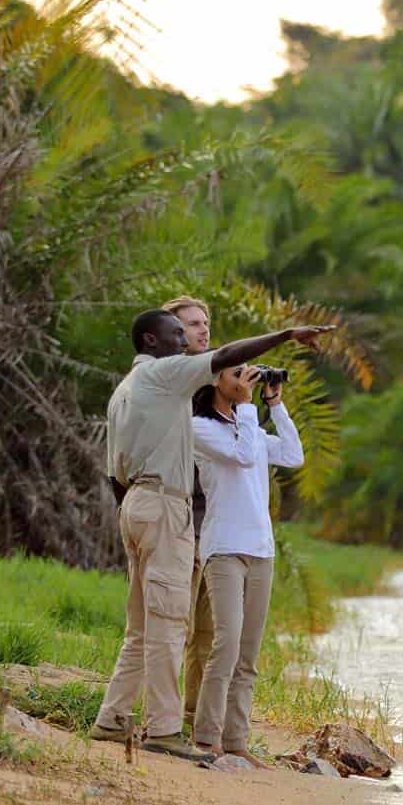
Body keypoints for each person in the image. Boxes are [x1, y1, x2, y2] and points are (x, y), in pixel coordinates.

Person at [91, 308, 333, 759]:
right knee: (168, 622)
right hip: (162, 503)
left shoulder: (124, 390)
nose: (186, 342)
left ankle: (112, 717)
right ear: (150, 341)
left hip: (137, 501)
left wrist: (134, 509)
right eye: (177, 334)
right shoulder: (163, 376)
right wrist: (285, 334)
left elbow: (113, 470)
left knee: (142, 626)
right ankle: (163, 731)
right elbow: (225, 355)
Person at [190, 363, 303, 765]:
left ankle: (236, 741)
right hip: (223, 548)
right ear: (215, 380)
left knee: (249, 654)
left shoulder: (252, 429)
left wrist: (275, 404)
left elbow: (293, 455)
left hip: (261, 549)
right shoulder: (200, 428)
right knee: (227, 643)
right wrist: (247, 406)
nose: (246, 380)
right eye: (237, 373)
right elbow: (239, 456)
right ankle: (206, 737)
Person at [159, 295, 215, 739]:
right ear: (173, 334)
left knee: (208, 634)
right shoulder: (165, 384)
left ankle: (197, 721)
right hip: (178, 520)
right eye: (193, 324)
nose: (203, 330)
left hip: (215, 525)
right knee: (175, 628)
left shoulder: (217, 386)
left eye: (205, 322)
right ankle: (163, 720)